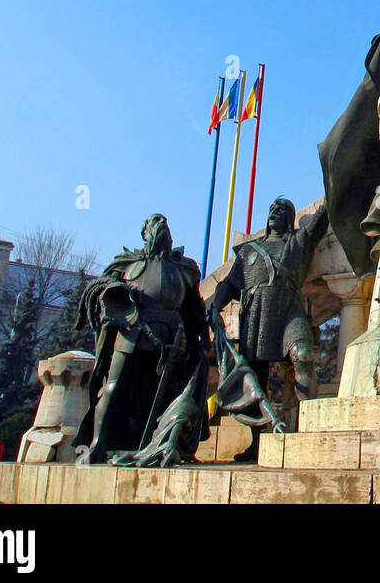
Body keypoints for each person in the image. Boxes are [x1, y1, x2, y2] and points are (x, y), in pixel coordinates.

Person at [75, 213, 209, 464]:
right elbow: (105, 293)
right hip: (132, 331)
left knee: (171, 392)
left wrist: (203, 338)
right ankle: (98, 444)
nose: (160, 225)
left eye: (164, 223)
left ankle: (168, 444)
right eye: (153, 223)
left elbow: (194, 308)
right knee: (114, 387)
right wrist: (112, 292)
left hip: (171, 335)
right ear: (145, 233)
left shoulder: (185, 269)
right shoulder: (126, 264)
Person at [210, 197, 328, 461]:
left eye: (282, 209)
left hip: (289, 306)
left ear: (290, 218)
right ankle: (256, 441)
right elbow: (230, 283)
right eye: (272, 208)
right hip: (257, 312)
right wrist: (214, 308)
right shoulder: (249, 250)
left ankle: (309, 429)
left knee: (303, 353)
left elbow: (323, 216)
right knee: (254, 376)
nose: (275, 212)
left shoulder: (300, 241)